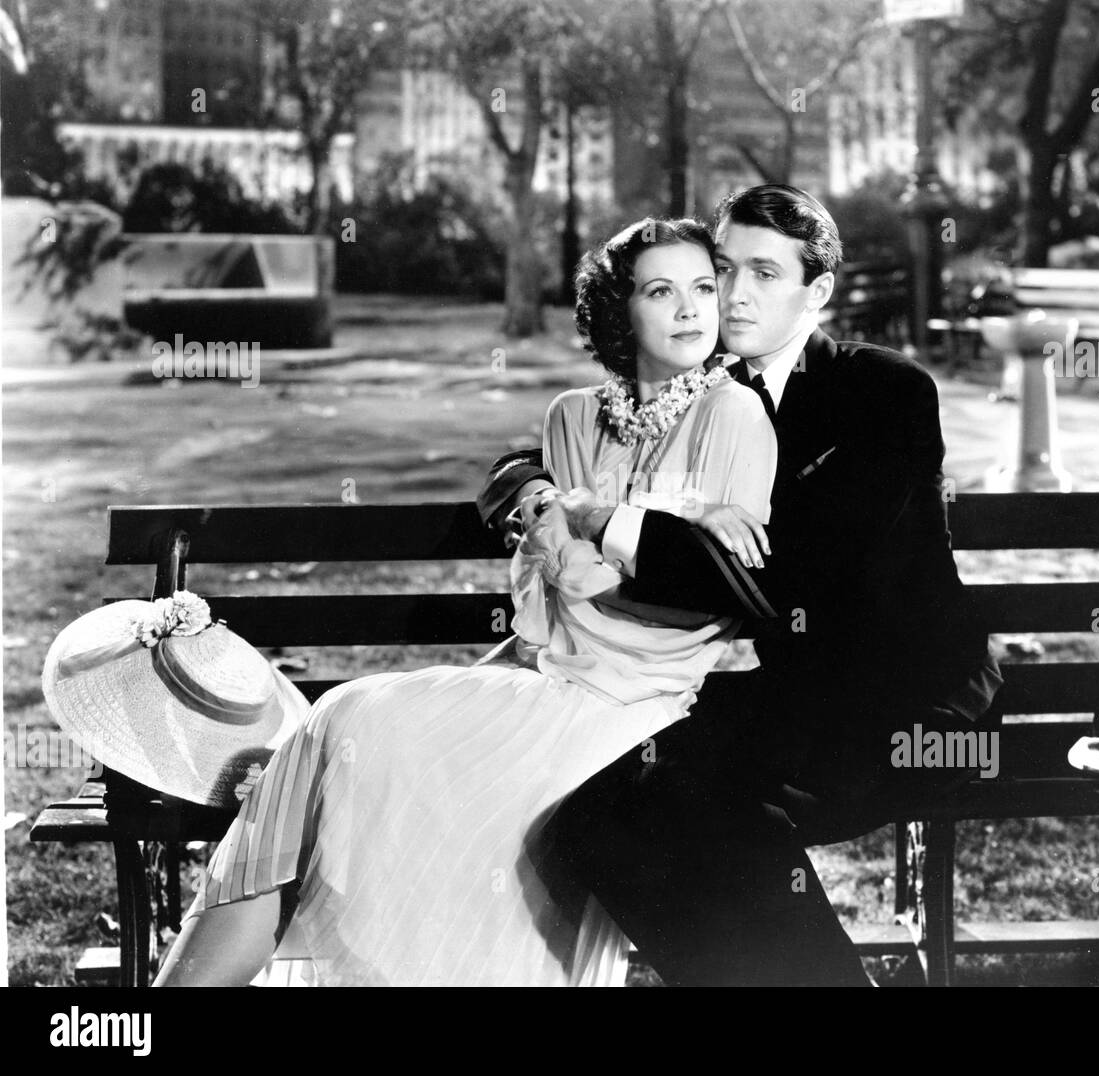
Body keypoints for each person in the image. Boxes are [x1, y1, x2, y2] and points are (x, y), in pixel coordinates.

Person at [154, 217, 778, 986]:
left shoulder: (734, 415)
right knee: (341, 728)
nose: (691, 310)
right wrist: (604, 542)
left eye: (704, 289)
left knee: (351, 731)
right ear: (621, 312)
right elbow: (554, 596)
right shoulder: (572, 418)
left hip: (633, 708)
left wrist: (577, 522)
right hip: (539, 681)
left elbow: (693, 607)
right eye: (662, 290)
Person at [478, 184, 1004, 987]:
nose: (733, 294)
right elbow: (537, 454)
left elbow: (788, 571)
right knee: (595, 814)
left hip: (912, 702)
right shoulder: (697, 389)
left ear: (816, 291)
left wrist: (606, 521)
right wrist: (537, 492)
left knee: (691, 807)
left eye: (765, 273)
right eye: (722, 269)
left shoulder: (887, 393)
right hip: (790, 694)